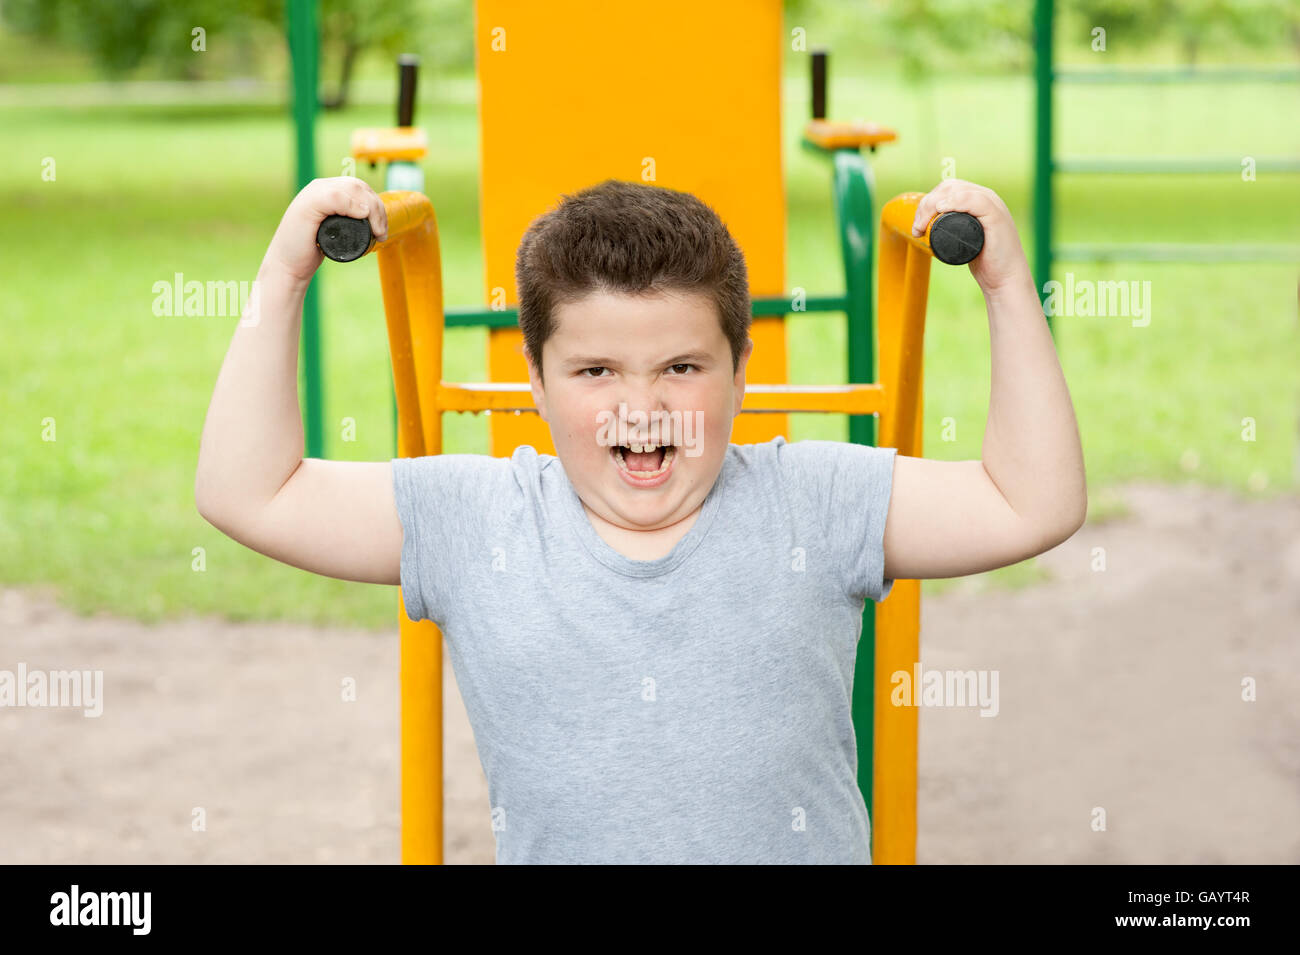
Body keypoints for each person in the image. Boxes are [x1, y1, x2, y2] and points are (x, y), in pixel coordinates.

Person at [195, 175, 1087, 864]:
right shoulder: (481, 521)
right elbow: (250, 491)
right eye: (596, 373)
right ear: (535, 382)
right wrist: (285, 273)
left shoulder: (811, 501)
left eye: (682, 367)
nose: (643, 405)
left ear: (741, 369)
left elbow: (1030, 503)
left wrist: (1005, 284)